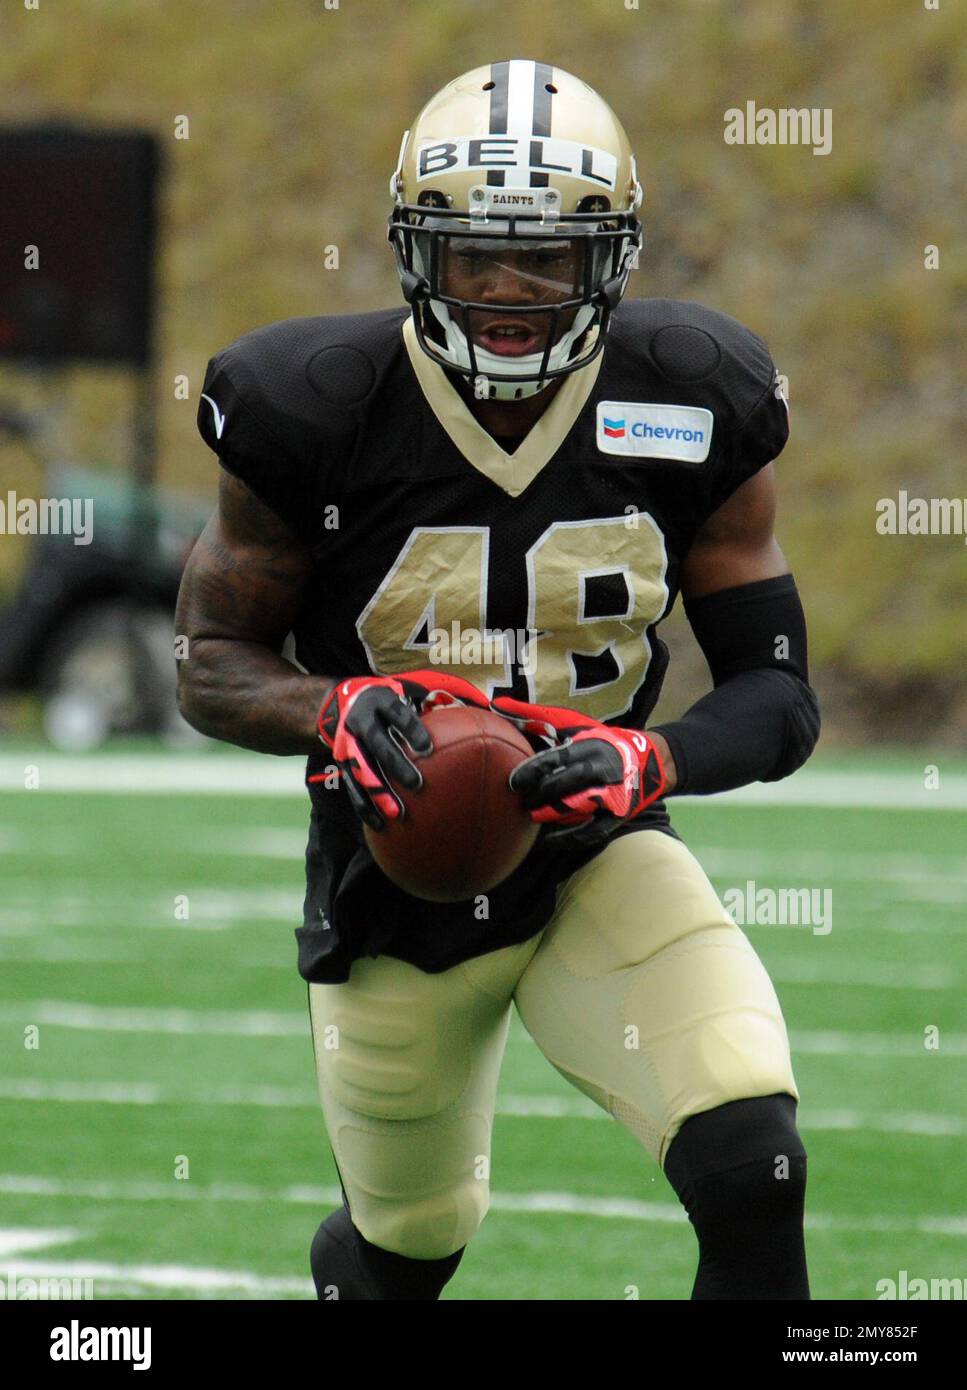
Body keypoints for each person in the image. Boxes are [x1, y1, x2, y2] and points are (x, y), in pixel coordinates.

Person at [176, 59, 820, 1300]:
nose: (510, 293)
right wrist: (335, 707)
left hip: (598, 846)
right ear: (417, 254)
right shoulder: (307, 406)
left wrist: (652, 757)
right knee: (409, 1244)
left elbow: (780, 695)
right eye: (474, 256)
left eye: (548, 261)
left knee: (754, 1161)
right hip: (399, 867)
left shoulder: (693, 394)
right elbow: (210, 660)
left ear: (613, 260)